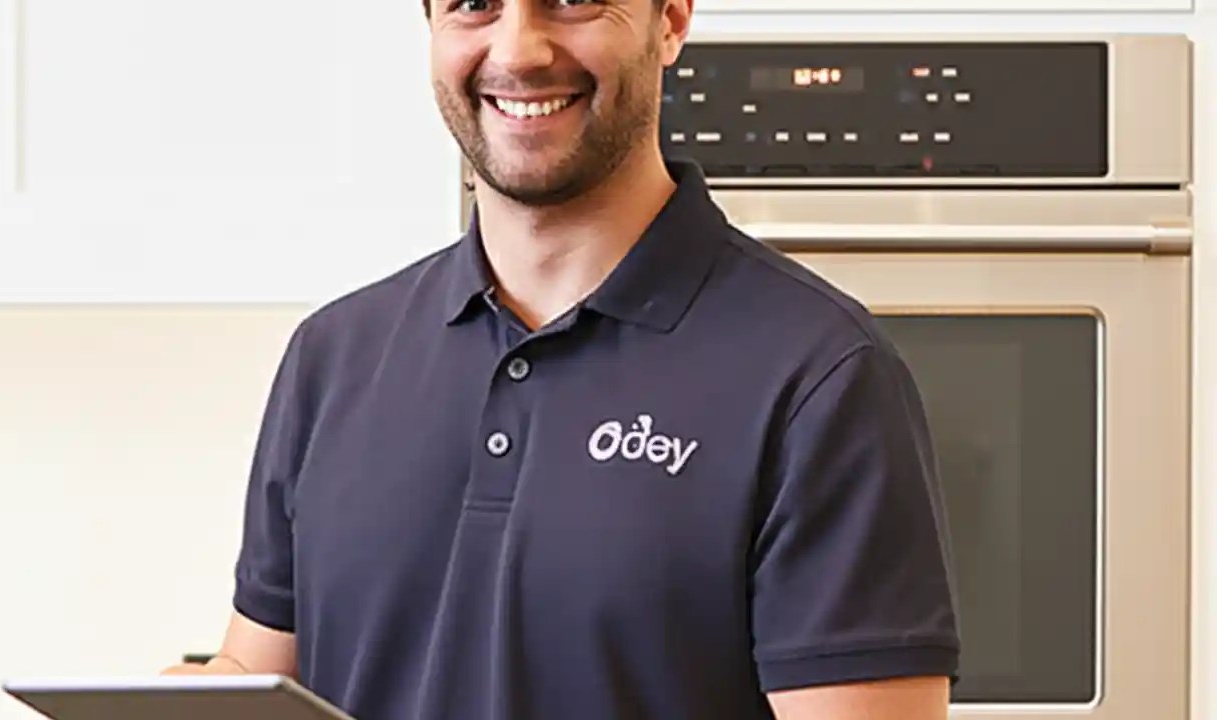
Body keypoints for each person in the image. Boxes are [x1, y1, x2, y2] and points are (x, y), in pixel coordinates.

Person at [162, 0, 961, 717]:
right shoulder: (334, 358)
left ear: (671, 18)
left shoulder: (819, 377)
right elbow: (261, 673)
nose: (520, 49)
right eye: (475, 4)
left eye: (572, 1)